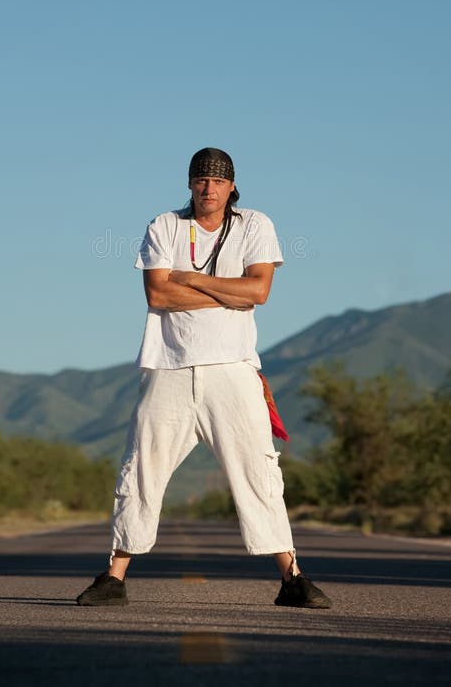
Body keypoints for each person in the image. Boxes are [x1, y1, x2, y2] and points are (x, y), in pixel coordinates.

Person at [76, 147, 332, 610]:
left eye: (217, 181)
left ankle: (292, 577)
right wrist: (226, 292)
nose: (208, 188)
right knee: (141, 469)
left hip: (232, 369)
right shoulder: (164, 227)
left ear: (232, 186)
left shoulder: (255, 224)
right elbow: (157, 293)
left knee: (258, 471)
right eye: (200, 180)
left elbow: (258, 291)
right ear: (189, 183)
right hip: (168, 367)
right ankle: (113, 578)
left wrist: (189, 279)